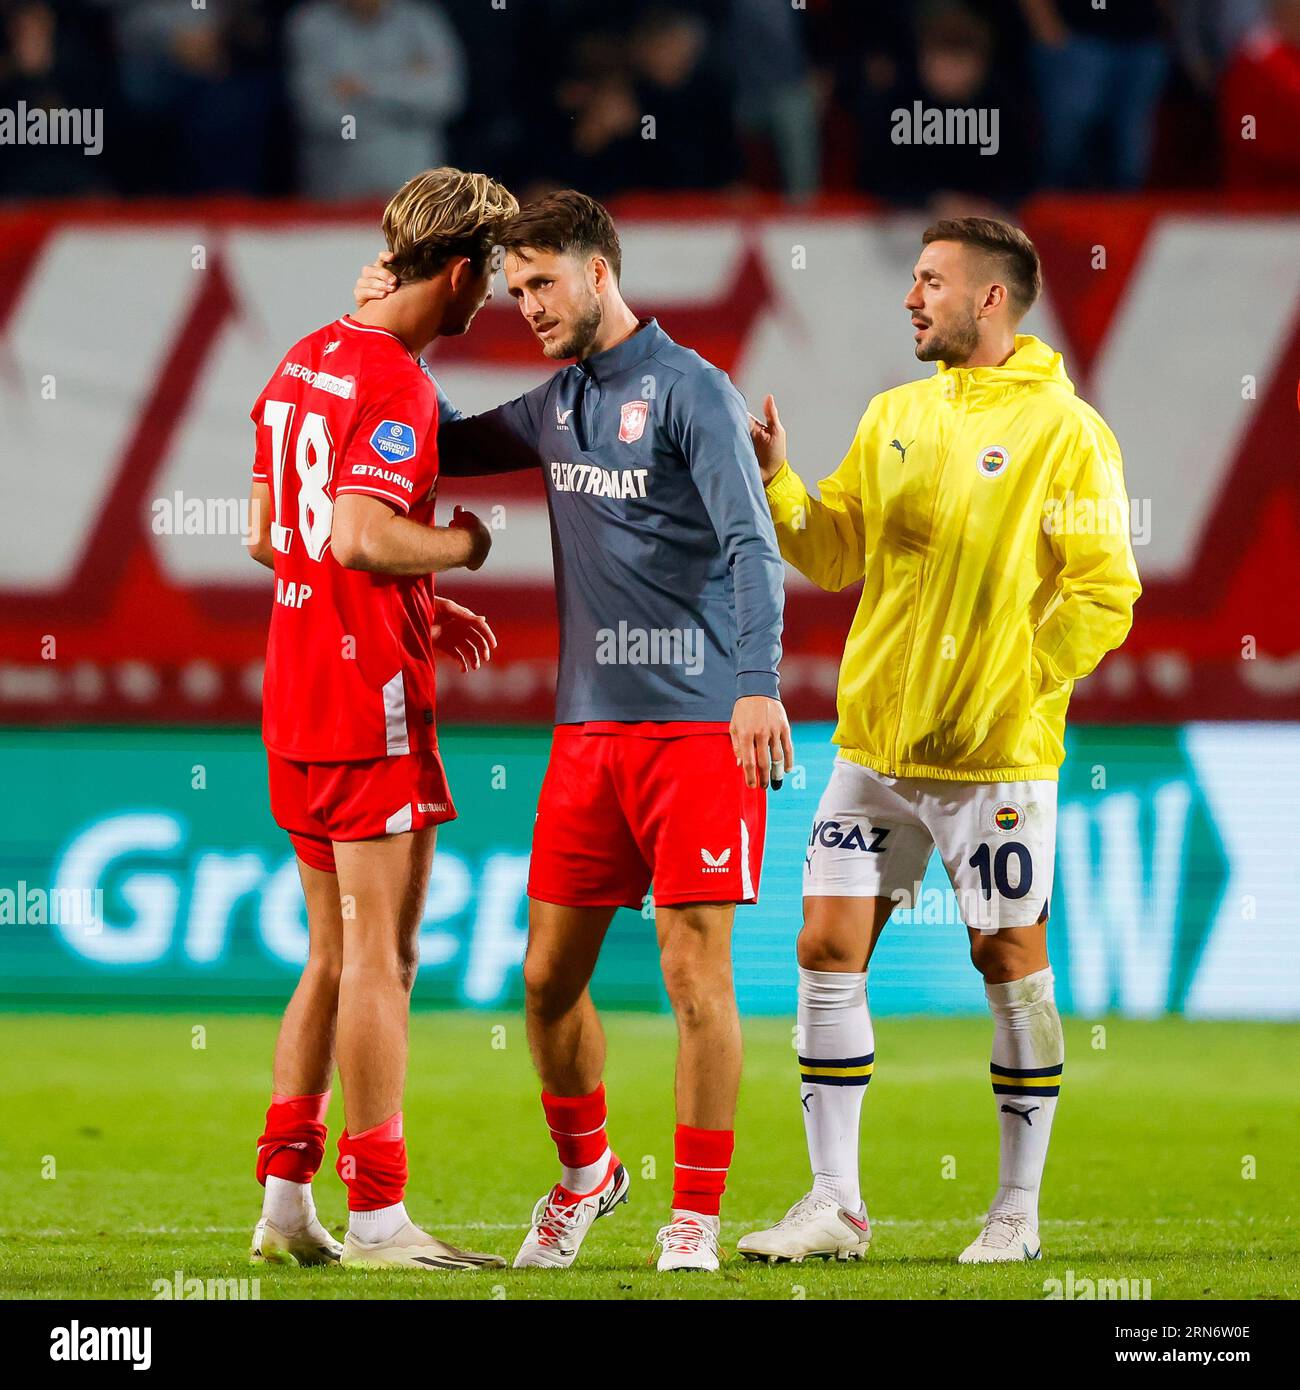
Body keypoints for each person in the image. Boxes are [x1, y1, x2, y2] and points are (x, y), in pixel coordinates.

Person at [353, 189, 790, 1271]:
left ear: (600, 272)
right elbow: (435, 443)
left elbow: (750, 544)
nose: (526, 305)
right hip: (589, 736)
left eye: (542, 282)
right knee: (544, 980)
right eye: (512, 287)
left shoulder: (694, 391)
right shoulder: (555, 406)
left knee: (696, 976)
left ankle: (694, 1216)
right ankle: (589, 1173)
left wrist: (756, 684)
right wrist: (372, 329)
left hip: (698, 729)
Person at [736, 217, 1141, 1265]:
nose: (911, 298)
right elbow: (832, 554)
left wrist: (1012, 685)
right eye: (912, 279)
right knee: (824, 951)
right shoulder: (895, 414)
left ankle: (1014, 1208)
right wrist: (779, 481)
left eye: (930, 282)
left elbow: (1104, 593)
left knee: (1005, 959)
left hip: (994, 763)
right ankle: (835, 1203)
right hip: (872, 751)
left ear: (989, 299)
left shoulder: (1066, 430)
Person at [246, 167, 515, 1272]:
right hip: (370, 706)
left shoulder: (303, 354)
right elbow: (357, 533)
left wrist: (414, 594)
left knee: (327, 953)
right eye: (486, 282)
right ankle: (380, 1214)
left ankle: (283, 1199)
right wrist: (458, 548)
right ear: (455, 273)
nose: (485, 301)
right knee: (381, 960)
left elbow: (275, 534)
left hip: (295, 692)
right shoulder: (397, 384)